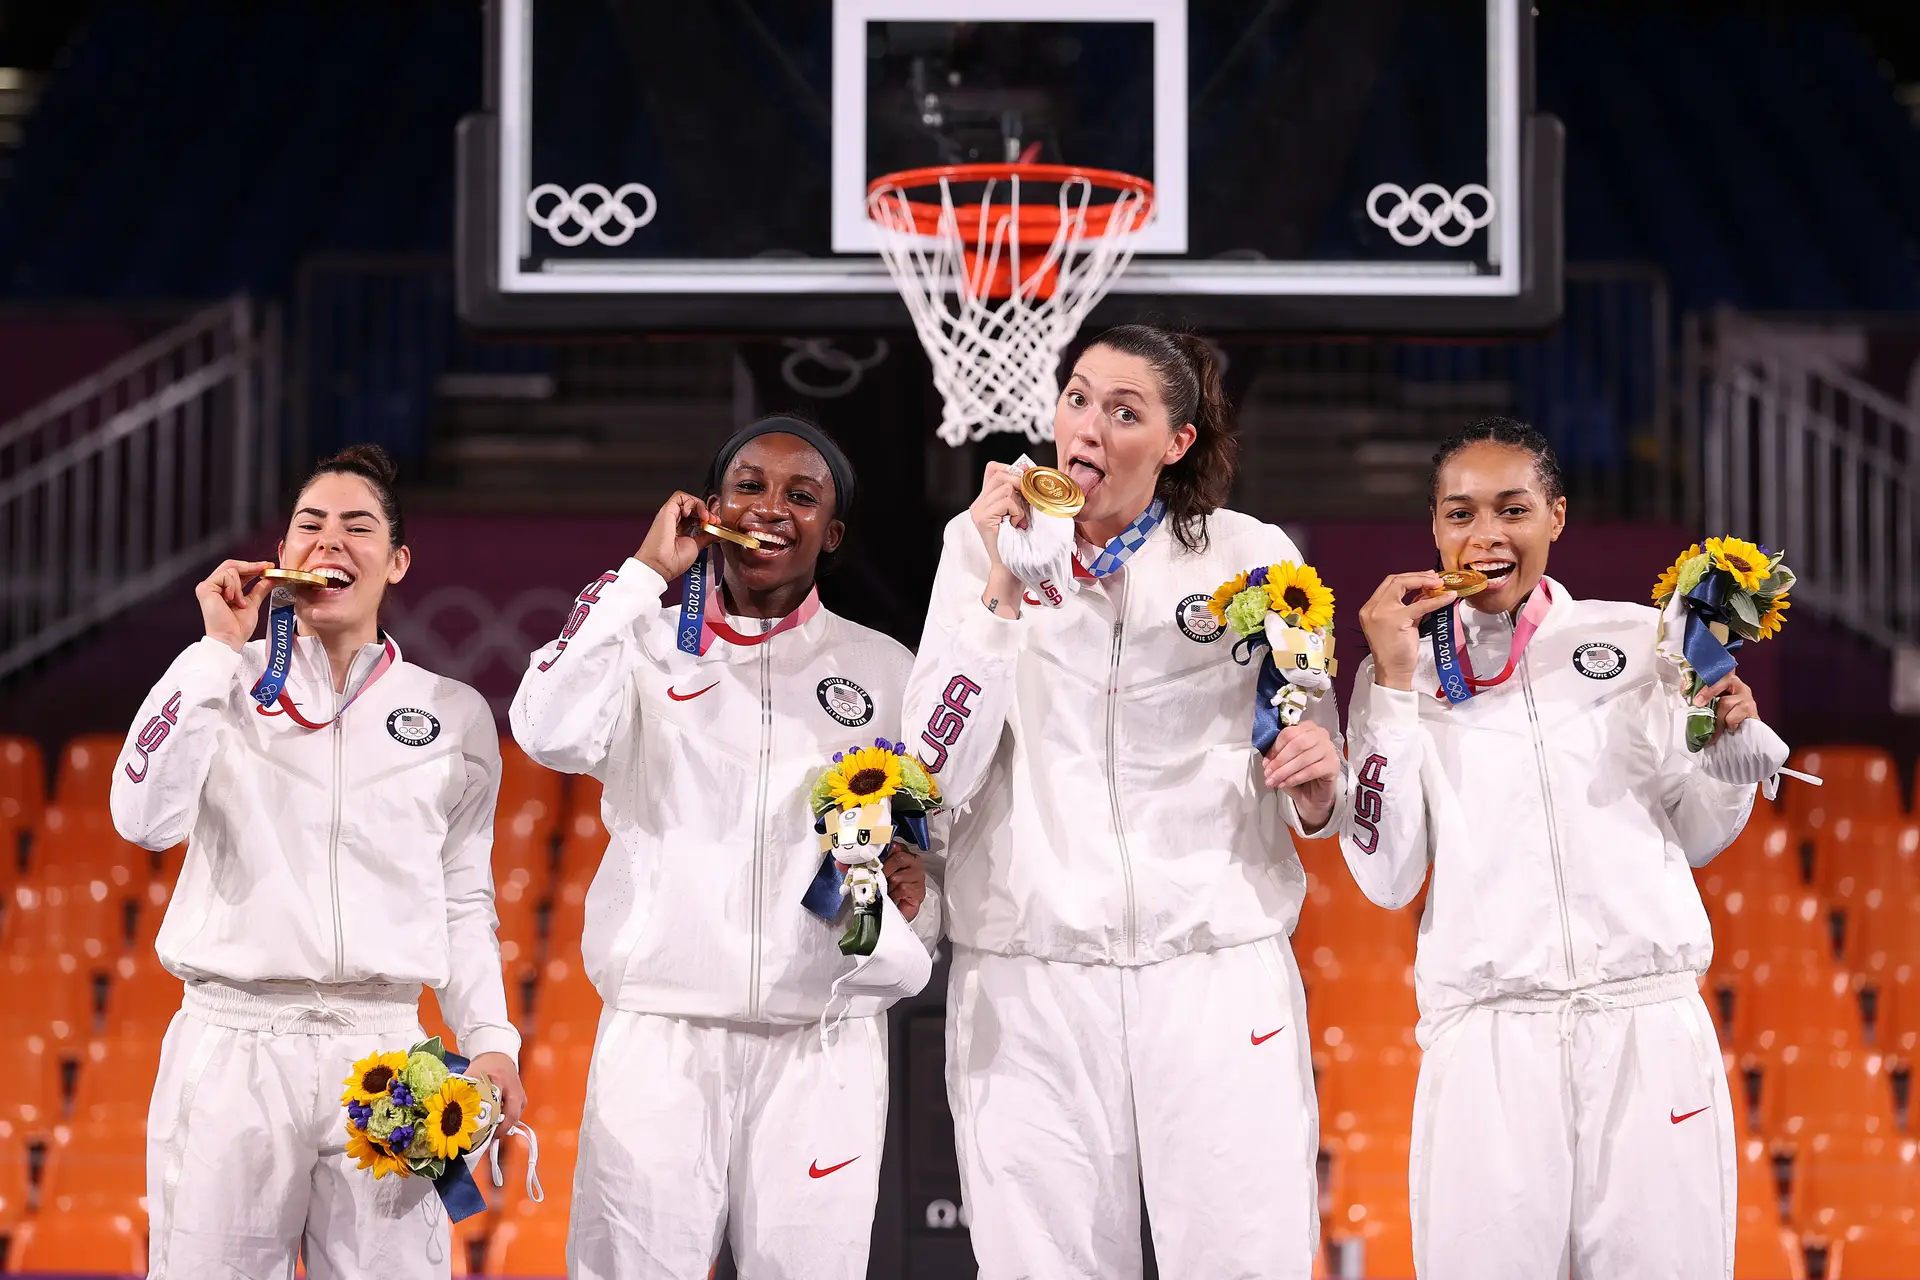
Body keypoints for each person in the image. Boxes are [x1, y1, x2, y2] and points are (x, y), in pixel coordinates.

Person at [903, 324, 1347, 1279]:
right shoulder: (978, 543)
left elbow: (1313, 758)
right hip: (1032, 972)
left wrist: (1320, 783)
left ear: (1177, 442)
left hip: (1214, 971)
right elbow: (936, 769)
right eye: (1076, 398)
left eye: (1124, 410)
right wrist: (999, 592)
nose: (1087, 427)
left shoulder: (1248, 552)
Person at [509, 415, 942, 1280]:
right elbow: (542, 728)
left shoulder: (888, 670)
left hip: (823, 1045)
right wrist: (639, 579)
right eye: (748, 486)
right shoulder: (638, 645)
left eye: (801, 495)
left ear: (834, 532)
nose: (770, 508)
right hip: (662, 1038)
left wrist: (917, 902)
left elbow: (934, 857)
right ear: (709, 508)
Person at [1340, 418, 1765, 1280]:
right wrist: (1387, 682)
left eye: (1513, 509)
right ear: (1433, 527)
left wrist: (1728, 752)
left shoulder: (1643, 639)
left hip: (1645, 1027)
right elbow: (1386, 878)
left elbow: (1700, 831)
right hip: (1489, 1040)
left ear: (1557, 517)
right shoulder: (1400, 672)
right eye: (1459, 514)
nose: (1485, 536)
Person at [110, 444, 525, 1279]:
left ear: (398, 561)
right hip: (234, 1046)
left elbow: (461, 899)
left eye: (358, 527)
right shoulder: (217, 682)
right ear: (282, 554)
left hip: (389, 1059)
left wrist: (489, 1038)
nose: (330, 542)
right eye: (310, 524)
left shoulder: (452, 714)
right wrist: (216, 650)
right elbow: (142, 818)